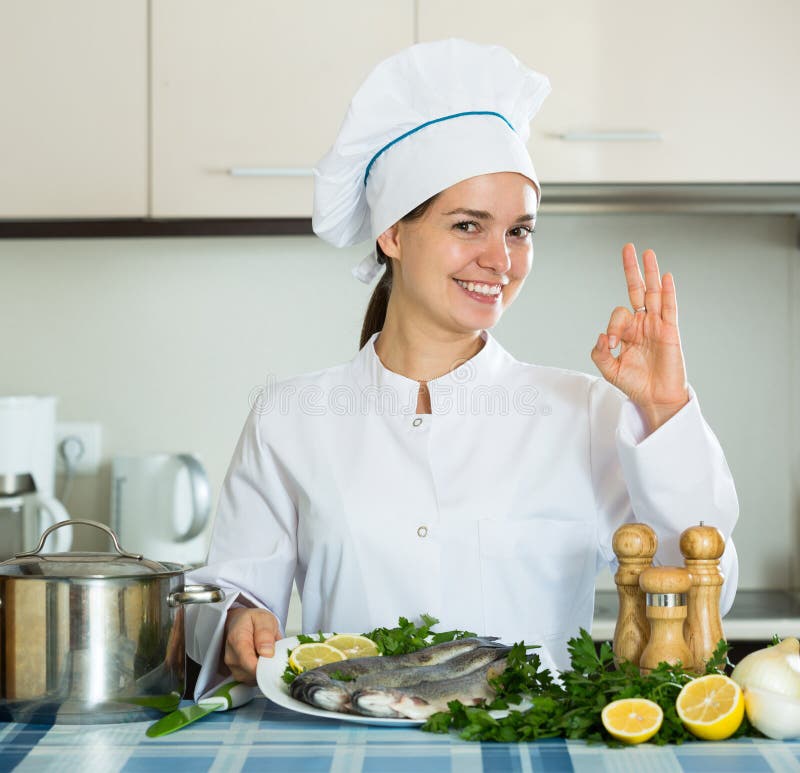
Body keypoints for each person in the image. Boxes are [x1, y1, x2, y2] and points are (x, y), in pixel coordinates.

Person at [186, 39, 738, 696]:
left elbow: (709, 586)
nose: (501, 259)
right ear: (392, 231)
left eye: (519, 231)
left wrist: (666, 410)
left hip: (529, 752)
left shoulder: (586, 413)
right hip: (353, 752)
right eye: (469, 225)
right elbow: (231, 596)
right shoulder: (290, 418)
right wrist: (240, 621)